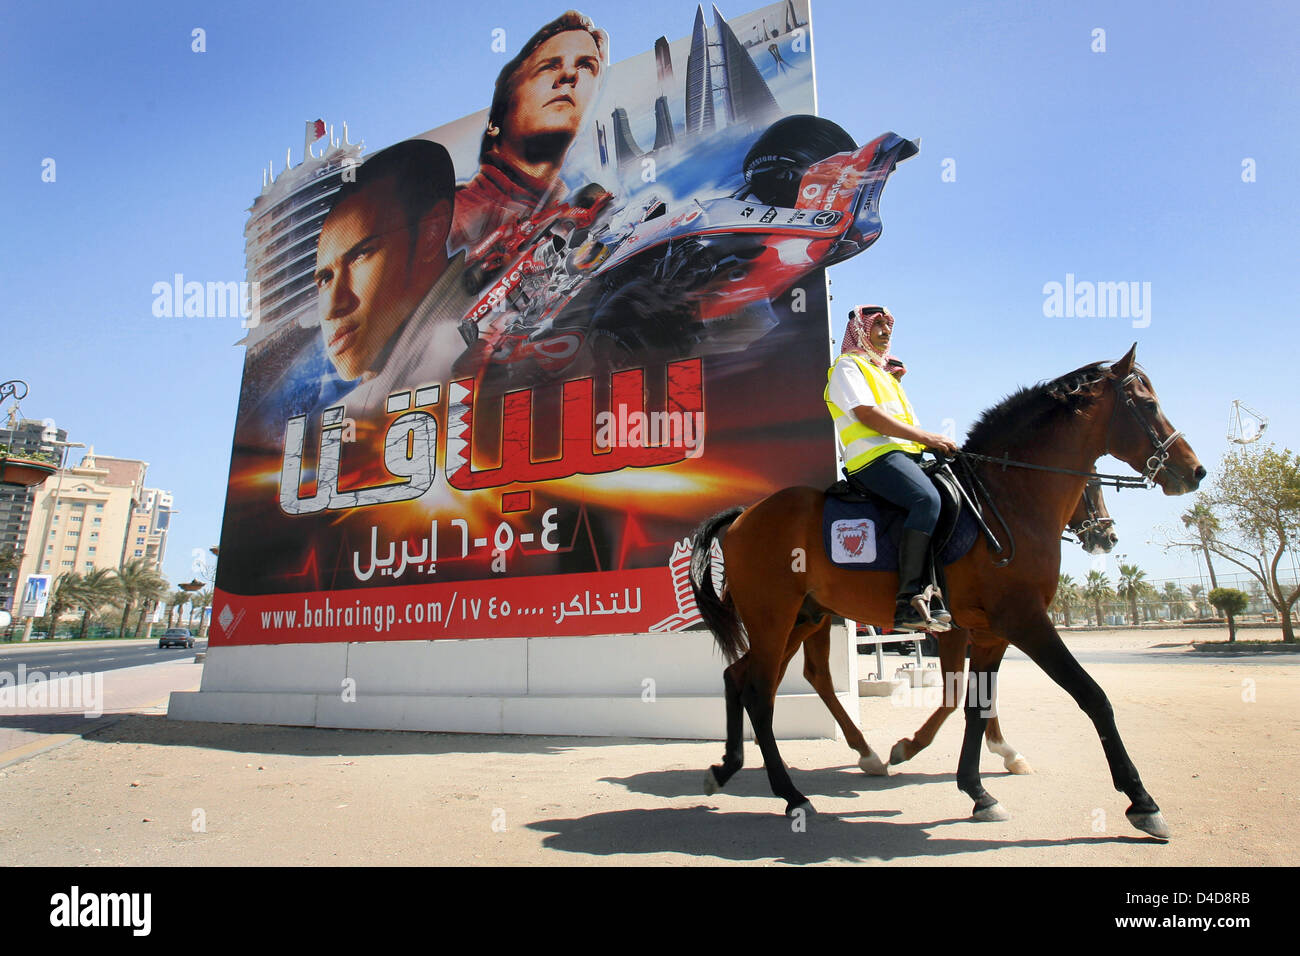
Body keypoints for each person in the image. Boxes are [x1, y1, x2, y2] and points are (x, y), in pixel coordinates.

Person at [824, 305, 958, 631]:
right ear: (860, 330)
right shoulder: (847, 366)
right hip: (871, 459)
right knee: (926, 500)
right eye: (878, 325)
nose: (885, 331)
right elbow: (868, 416)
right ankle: (910, 599)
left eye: (888, 326)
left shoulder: (887, 375)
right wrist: (927, 437)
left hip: (903, 456)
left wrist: (928, 445)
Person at [312, 138, 471, 410]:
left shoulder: (485, 351)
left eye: (361, 254)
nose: (332, 305)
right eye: (325, 278)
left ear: (430, 235)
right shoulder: (356, 408)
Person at [450, 10, 608, 262]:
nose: (570, 75)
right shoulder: (449, 216)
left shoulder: (578, 211)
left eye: (586, 65)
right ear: (494, 122)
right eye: (549, 66)